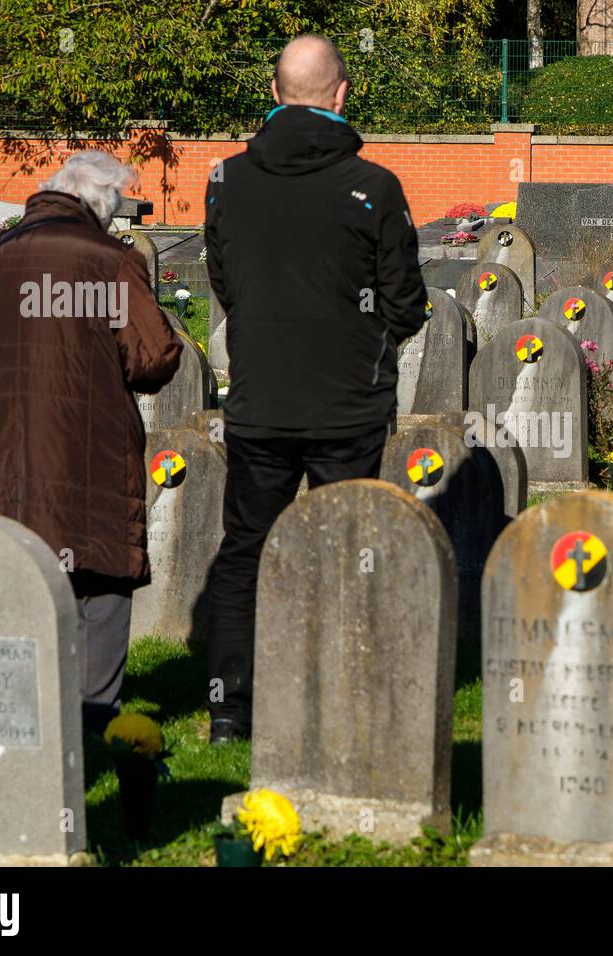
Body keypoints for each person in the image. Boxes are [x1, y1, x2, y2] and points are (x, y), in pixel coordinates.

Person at [203, 34, 428, 743]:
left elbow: (226, 285)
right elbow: (407, 303)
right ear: (342, 94)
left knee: (245, 549)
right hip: (346, 404)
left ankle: (230, 707)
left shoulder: (227, 182)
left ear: (274, 94)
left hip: (260, 399)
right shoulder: (375, 186)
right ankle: (343, 694)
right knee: (347, 546)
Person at [0, 151, 182, 733]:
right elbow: (152, 358)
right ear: (102, 205)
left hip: (1, 447)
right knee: (99, 581)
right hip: (90, 446)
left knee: (14, 569)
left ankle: (18, 715)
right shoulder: (109, 260)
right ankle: (92, 720)